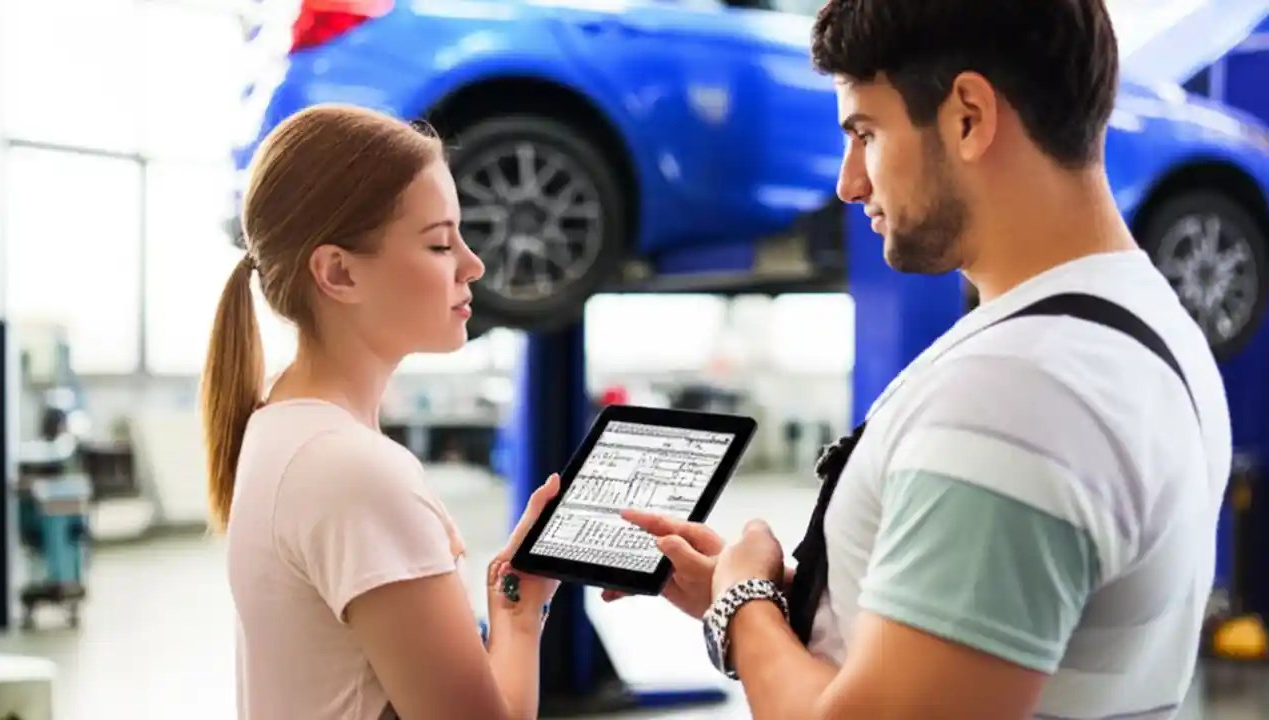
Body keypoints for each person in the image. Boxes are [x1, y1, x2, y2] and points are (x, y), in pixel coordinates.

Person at [613, 1, 1234, 718]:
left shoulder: (1022, 390)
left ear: (968, 115)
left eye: (865, 133)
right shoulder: (1147, 328)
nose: (849, 182)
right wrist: (801, 599)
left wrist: (744, 606)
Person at [201, 104, 561, 720]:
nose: (472, 265)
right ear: (338, 272)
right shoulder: (355, 471)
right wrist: (520, 619)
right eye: (440, 243)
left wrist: (509, 597)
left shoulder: (278, 427)